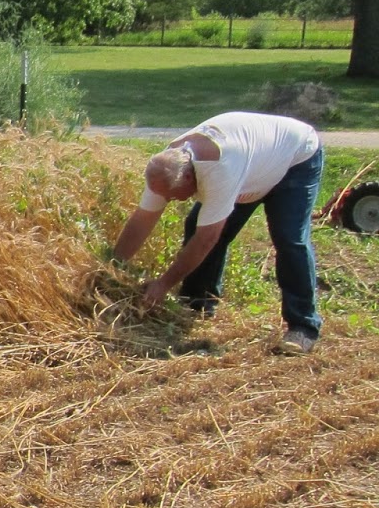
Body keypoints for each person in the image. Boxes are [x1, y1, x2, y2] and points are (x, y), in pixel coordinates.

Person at [110, 110, 324, 354]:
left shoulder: (220, 168)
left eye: (172, 195)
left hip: (294, 159)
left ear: (189, 177)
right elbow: (143, 220)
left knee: (289, 238)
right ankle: (197, 305)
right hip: (252, 166)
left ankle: (303, 326)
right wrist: (114, 266)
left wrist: (163, 284)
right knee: (196, 224)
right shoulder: (166, 166)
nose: (168, 200)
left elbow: (206, 239)